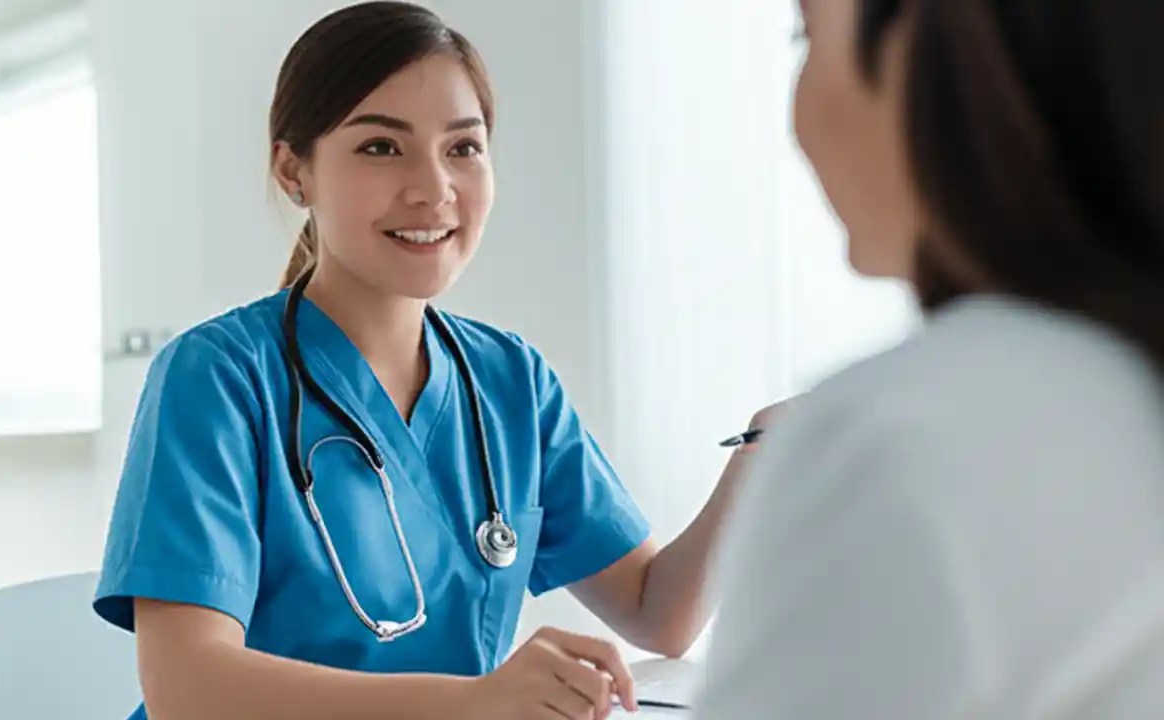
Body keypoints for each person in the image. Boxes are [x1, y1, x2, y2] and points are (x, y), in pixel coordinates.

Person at [93, 3, 779, 719]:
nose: (433, 188)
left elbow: (656, 612)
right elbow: (187, 688)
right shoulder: (218, 377)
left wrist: (760, 458)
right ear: (294, 171)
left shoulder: (512, 382)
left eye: (463, 148)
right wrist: (476, 702)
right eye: (381, 149)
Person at [696, 0, 1164, 717]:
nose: (795, 122)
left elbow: (652, 608)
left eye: (806, 36)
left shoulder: (908, 429)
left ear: (928, 44)